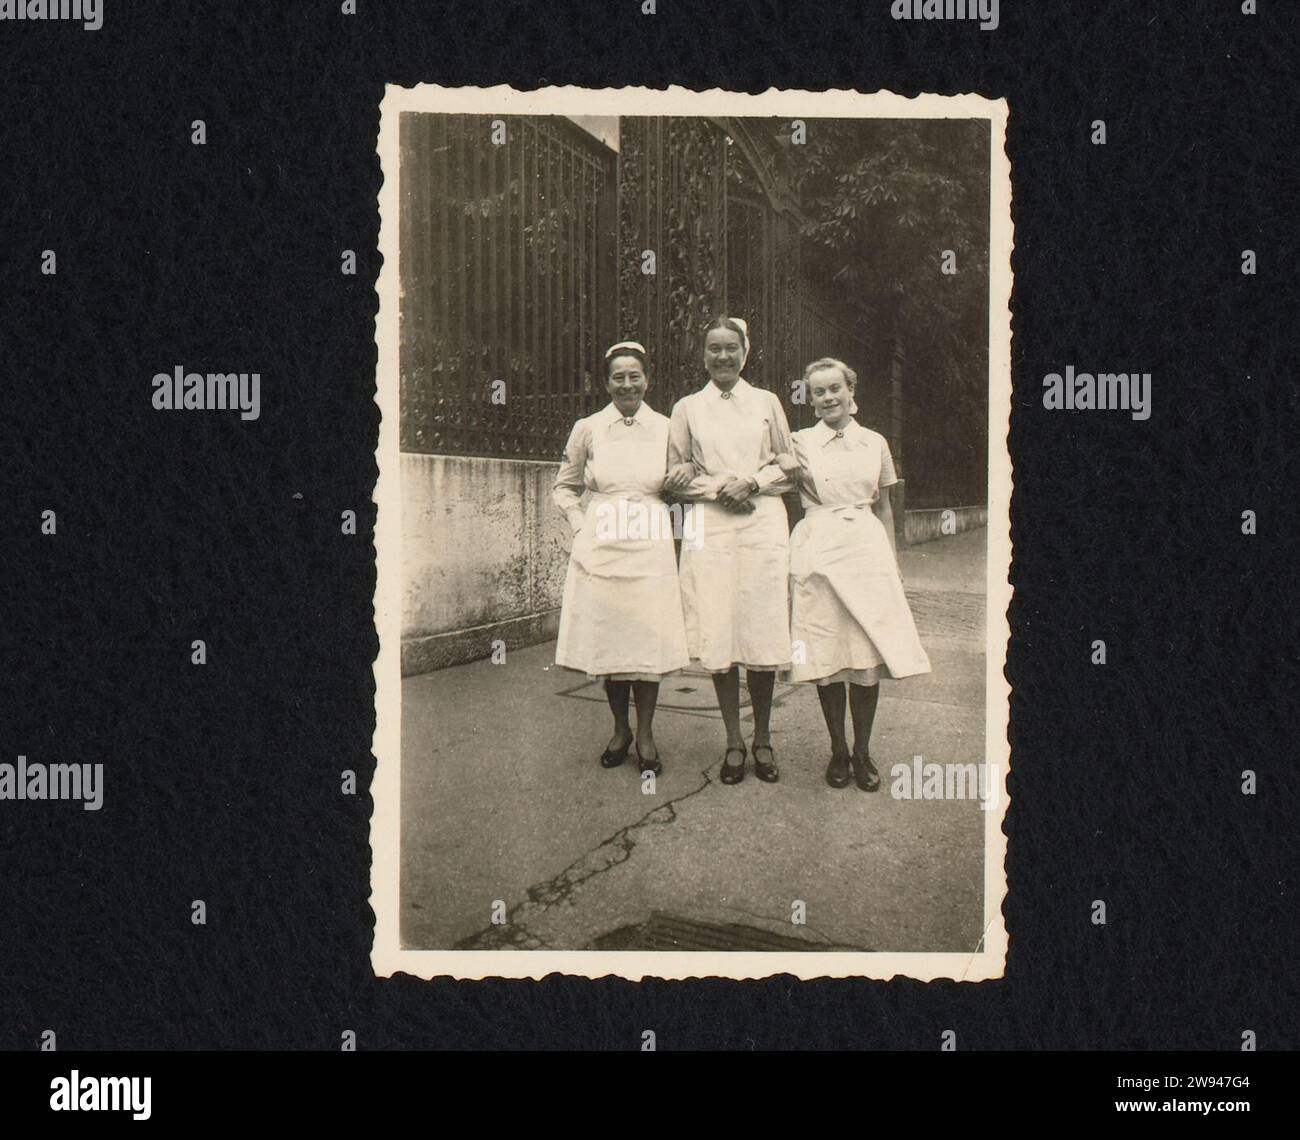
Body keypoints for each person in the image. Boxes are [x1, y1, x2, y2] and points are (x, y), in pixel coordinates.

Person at [785, 358, 931, 791]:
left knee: (866, 655)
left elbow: (884, 507)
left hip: (866, 550)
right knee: (827, 653)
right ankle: (837, 750)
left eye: (835, 389)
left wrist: (892, 562)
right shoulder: (799, 443)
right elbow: (773, 480)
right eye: (819, 392)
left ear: (851, 392)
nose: (828, 397)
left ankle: (863, 751)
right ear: (811, 401)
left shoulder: (875, 443)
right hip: (818, 548)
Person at [663, 317, 797, 785]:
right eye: (713, 349)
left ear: (746, 351)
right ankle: (733, 742)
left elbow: (790, 465)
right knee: (719, 630)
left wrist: (752, 482)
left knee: (759, 631)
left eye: (730, 348)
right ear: (703, 355)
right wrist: (723, 490)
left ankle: (763, 738)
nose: (722, 357)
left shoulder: (766, 403)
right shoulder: (688, 408)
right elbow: (673, 476)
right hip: (712, 527)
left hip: (761, 524)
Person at [553, 341, 689, 777]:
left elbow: (685, 481)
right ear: (605, 382)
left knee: (646, 639)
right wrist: (580, 526)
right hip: (602, 541)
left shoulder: (668, 428)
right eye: (618, 377)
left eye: (635, 376)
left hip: (650, 540)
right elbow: (564, 486)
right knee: (612, 640)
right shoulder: (588, 428)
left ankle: (646, 733)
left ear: (647, 380)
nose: (627, 385)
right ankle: (619, 730)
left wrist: (685, 489)